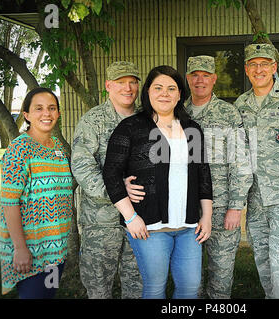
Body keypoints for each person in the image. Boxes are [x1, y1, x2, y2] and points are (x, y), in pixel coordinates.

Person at [126, 56, 252, 298]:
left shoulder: (228, 113)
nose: (200, 80)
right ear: (187, 80)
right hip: (182, 209)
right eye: (194, 74)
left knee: (220, 274)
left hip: (221, 205)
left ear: (214, 79)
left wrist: (236, 206)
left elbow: (241, 161)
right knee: (192, 278)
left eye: (206, 75)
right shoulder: (175, 110)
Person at [102, 65, 213, 299]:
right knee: (154, 288)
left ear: (180, 94)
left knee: (191, 287)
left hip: (189, 227)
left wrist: (207, 216)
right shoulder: (131, 127)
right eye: (158, 87)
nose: (165, 93)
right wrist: (130, 218)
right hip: (150, 228)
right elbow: (111, 173)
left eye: (171, 88)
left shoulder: (192, 129)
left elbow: (203, 174)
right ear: (148, 92)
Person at [233, 43, 279, 299]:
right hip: (255, 198)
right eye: (253, 64)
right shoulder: (241, 104)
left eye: (264, 64)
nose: (259, 69)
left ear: (274, 67)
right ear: (246, 69)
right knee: (263, 261)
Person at [71, 61, 142, 299]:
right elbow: (82, 167)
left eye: (132, 82)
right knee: (99, 287)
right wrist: (116, 192)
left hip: (141, 218)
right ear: (108, 86)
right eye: (121, 82)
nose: (128, 88)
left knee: (138, 283)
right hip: (101, 222)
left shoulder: (147, 118)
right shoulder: (92, 121)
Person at [0, 87, 73, 298]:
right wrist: (20, 248)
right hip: (32, 249)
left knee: (49, 294)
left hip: (56, 249)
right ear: (27, 115)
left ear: (58, 113)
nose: (46, 114)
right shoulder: (19, 149)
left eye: (51, 108)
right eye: (38, 108)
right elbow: (10, 202)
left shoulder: (57, 147)